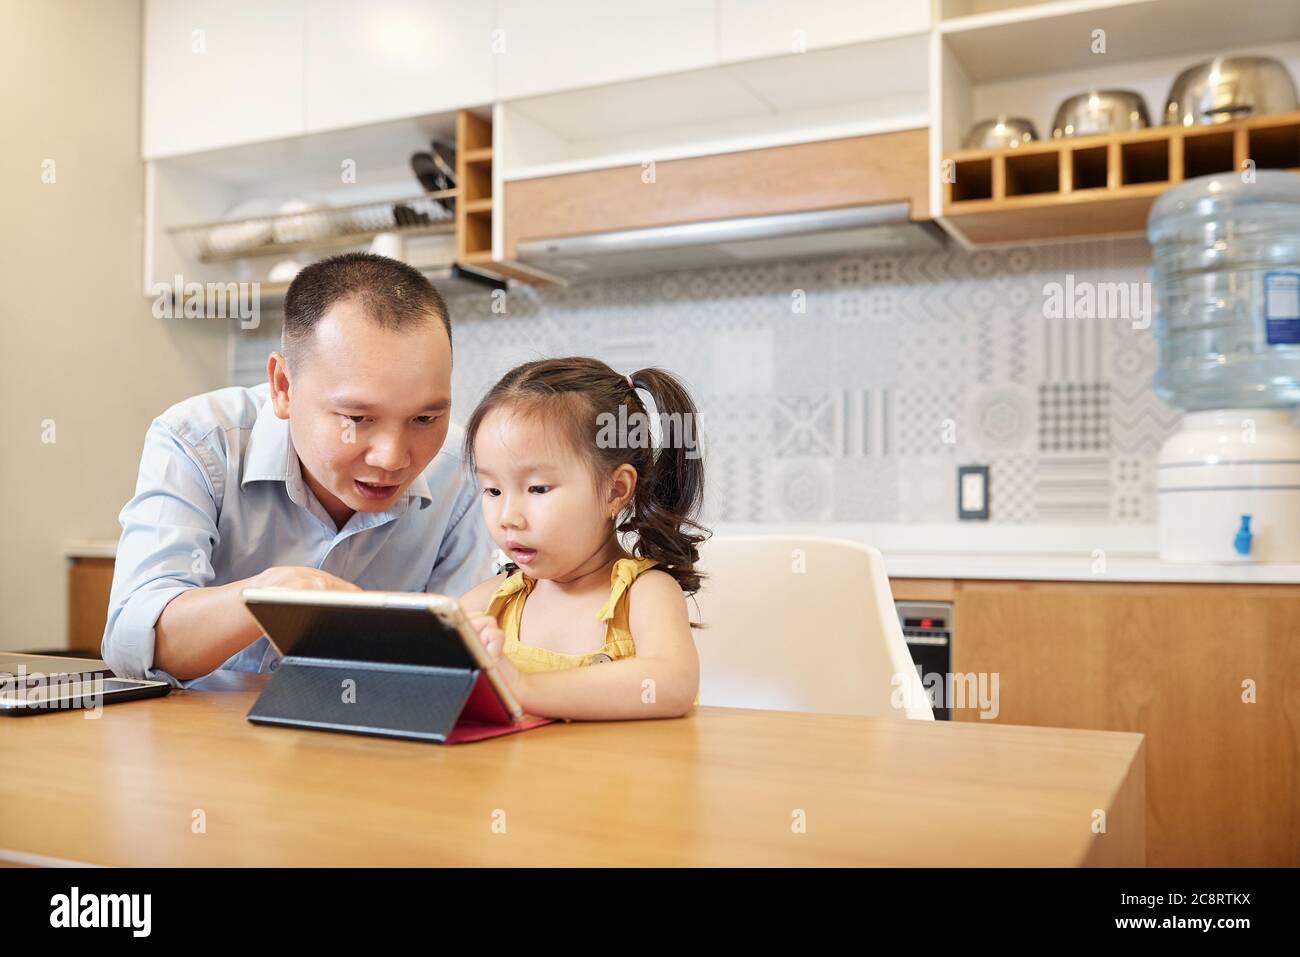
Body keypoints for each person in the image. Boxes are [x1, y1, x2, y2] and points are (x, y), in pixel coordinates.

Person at [102, 253, 494, 686]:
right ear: (283, 386)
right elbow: (130, 643)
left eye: (425, 419)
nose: (392, 458)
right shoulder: (199, 441)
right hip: (199, 742)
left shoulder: (467, 469)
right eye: (357, 419)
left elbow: (462, 662)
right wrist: (279, 595)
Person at [458, 357, 709, 720]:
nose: (508, 517)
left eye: (538, 488)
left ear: (615, 490)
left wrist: (523, 688)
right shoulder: (491, 603)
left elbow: (672, 684)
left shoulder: (643, 594)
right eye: (493, 490)